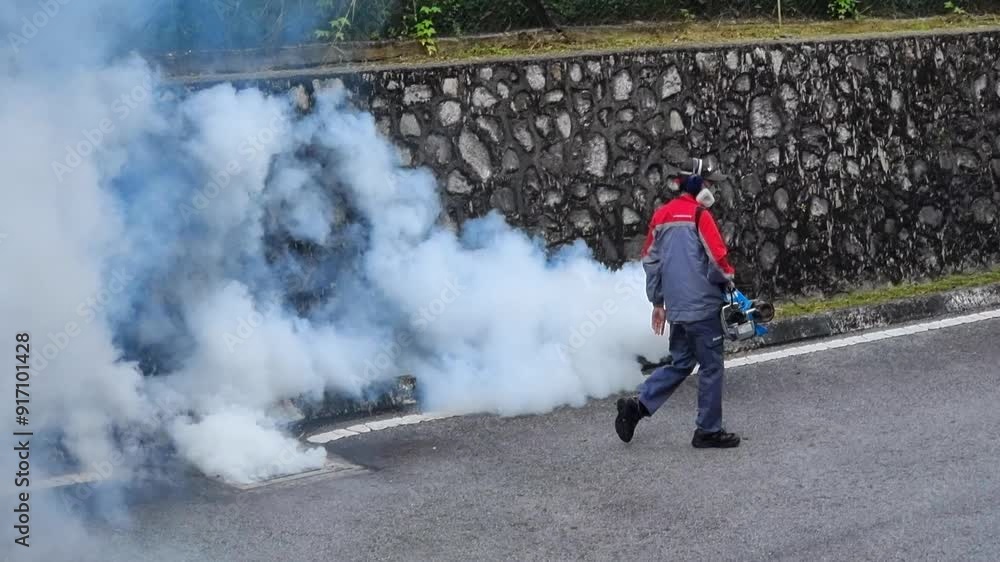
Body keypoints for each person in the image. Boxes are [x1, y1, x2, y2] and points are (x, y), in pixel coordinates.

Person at [615, 159, 741, 448]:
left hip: (678, 310)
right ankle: (708, 431)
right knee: (710, 367)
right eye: (709, 183)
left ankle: (638, 405)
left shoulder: (661, 216)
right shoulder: (700, 216)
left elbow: (650, 262)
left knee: (682, 362)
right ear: (697, 184)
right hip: (703, 308)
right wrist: (728, 282)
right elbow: (718, 260)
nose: (711, 188)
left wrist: (658, 301)